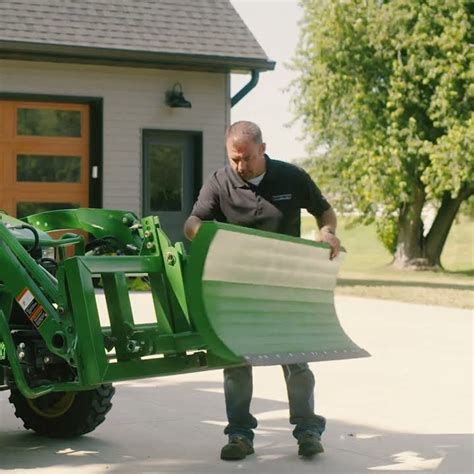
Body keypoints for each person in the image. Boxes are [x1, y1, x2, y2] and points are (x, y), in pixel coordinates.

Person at [183, 121, 341, 461]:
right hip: (237, 285)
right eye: (234, 159)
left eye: (248, 158)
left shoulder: (291, 176)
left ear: (263, 149)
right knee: (236, 363)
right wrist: (210, 238)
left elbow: (325, 212)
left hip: (285, 285)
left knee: (296, 361)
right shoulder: (219, 182)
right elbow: (192, 223)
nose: (241, 166)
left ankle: (308, 430)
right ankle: (239, 435)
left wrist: (327, 233)